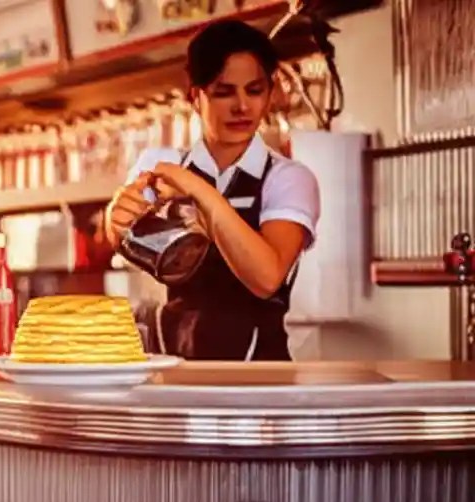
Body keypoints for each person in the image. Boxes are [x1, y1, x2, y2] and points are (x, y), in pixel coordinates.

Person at [104, 19, 321, 361]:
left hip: (260, 377)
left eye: (254, 90)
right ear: (195, 97)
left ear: (271, 91)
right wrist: (115, 216)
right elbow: (126, 241)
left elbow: (267, 278)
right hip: (176, 366)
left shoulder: (289, 179)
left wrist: (198, 191)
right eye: (224, 92)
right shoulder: (162, 163)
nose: (242, 107)